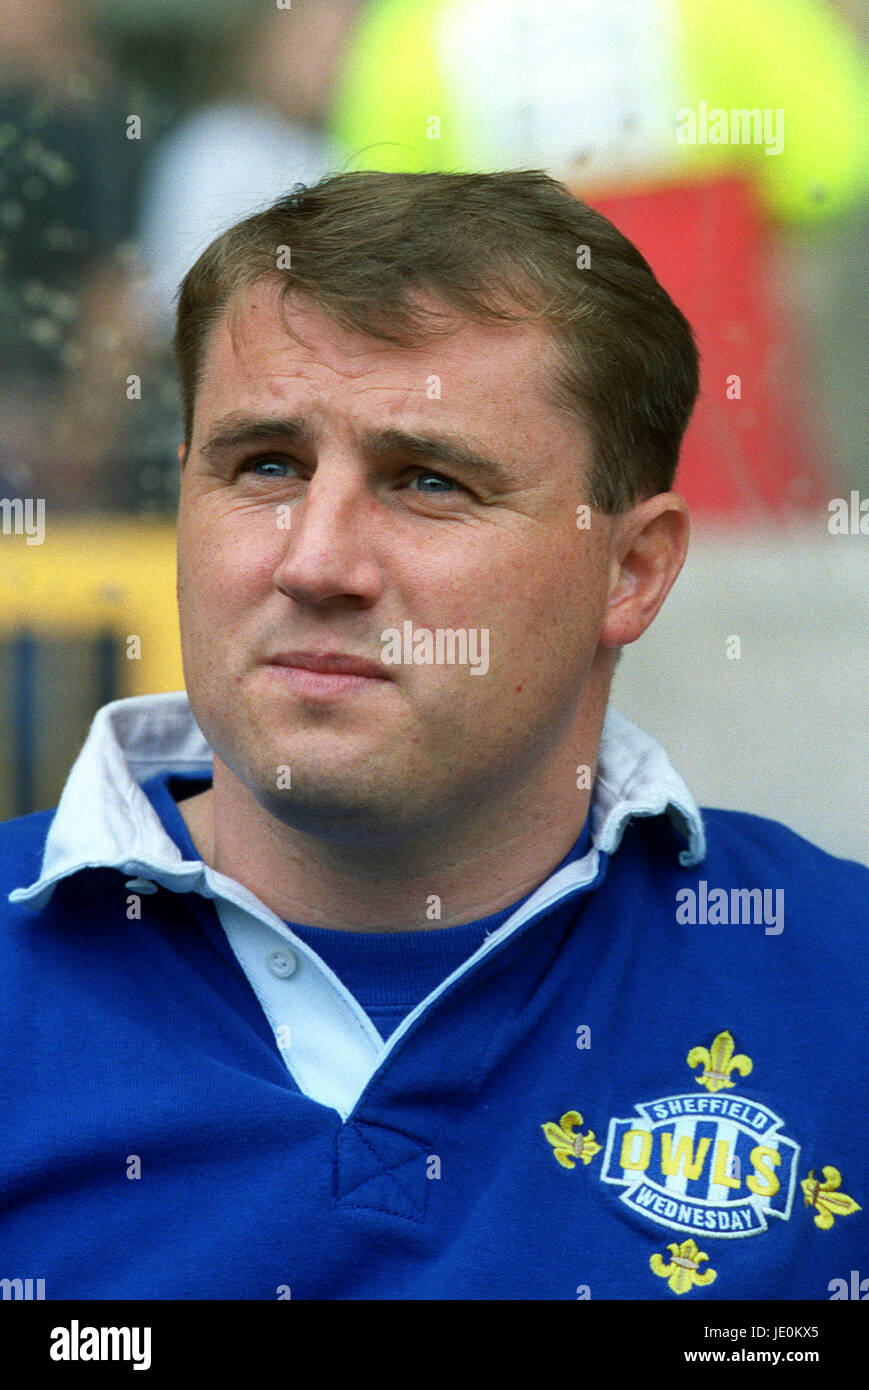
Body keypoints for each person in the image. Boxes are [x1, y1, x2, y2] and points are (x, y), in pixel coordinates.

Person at [1, 171, 865, 1301]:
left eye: (427, 482)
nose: (315, 561)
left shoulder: (837, 988)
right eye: (265, 466)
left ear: (631, 570)